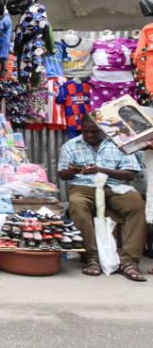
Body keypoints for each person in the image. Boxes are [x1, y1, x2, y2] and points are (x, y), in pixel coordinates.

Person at [57, 116, 147, 282]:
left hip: (114, 187)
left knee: (136, 204)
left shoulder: (118, 143)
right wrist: (72, 171)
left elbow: (130, 173)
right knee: (77, 204)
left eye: (94, 132)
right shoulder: (71, 146)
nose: (90, 135)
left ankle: (129, 261)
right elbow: (62, 174)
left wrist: (101, 170)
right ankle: (91, 257)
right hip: (84, 186)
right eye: (86, 132)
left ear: (103, 131)